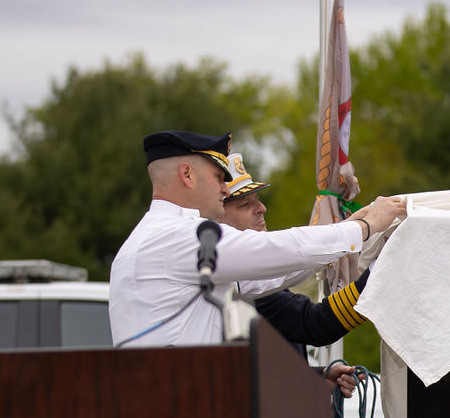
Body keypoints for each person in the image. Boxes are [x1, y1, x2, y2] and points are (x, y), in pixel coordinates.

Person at [108, 130, 403, 351]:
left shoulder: (158, 235)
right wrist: (365, 227)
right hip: (179, 411)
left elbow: (278, 270)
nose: (224, 190)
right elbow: (276, 250)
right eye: (218, 177)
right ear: (187, 174)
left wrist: (353, 228)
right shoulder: (175, 236)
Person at [216, 152, 372, 397]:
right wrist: (376, 276)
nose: (261, 208)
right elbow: (315, 323)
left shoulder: (247, 276)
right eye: (245, 204)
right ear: (217, 220)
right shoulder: (241, 282)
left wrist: (318, 376)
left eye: (257, 199)